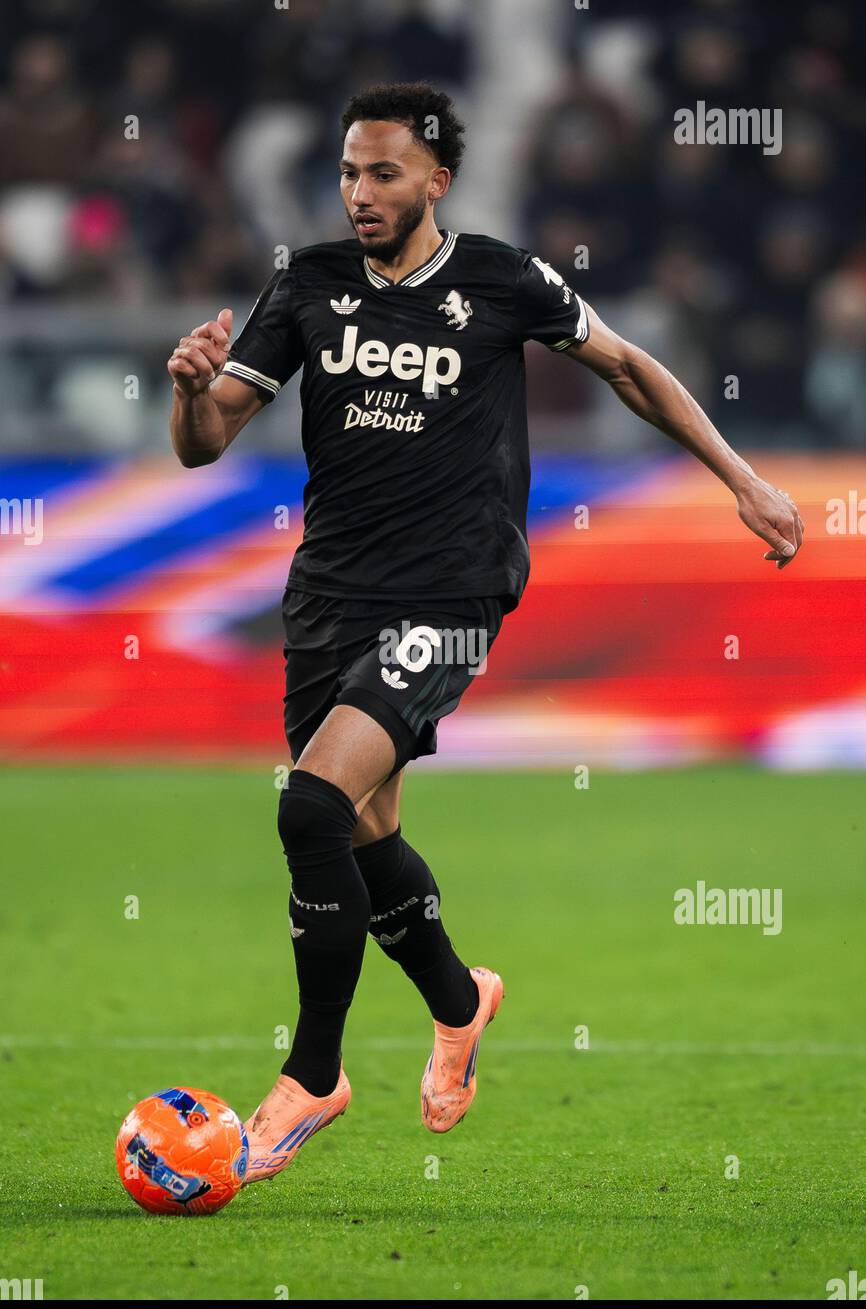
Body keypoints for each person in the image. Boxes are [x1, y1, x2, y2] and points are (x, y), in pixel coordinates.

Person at [167, 82, 803, 1183]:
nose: (359, 194)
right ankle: (459, 1003)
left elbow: (628, 368)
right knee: (359, 832)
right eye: (348, 173)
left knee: (310, 803)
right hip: (325, 597)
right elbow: (205, 440)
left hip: (452, 595)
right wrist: (186, 392)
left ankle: (311, 1074)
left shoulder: (502, 278)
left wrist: (739, 478)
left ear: (435, 183)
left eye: (382, 174)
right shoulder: (306, 284)